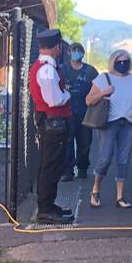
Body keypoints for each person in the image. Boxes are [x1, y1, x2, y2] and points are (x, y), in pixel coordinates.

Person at [84, 49, 132, 209]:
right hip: (109, 123)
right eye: (120, 61)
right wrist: (104, 92)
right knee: (105, 158)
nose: (123, 64)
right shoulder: (103, 79)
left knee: (123, 160)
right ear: (113, 62)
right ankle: (96, 189)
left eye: (126, 61)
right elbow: (89, 100)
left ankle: (119, 197)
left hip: (129, 123)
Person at [29, 28, 74, 224]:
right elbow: (54, 99)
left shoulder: (44, 66)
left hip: (50, 122)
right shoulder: (47, 70)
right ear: (57, 46)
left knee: (53, 165)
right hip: (52, 122)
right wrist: (68, 95)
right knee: (51, 166)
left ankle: (48, 205)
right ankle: (45, 209)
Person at [59, 41, 98, 181]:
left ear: (83, 53)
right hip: (67, 112)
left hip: (86, 112)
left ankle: (82, 168)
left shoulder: (91, 71)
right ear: (69, 53)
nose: (77, 53)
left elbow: (99, 88)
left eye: (79, 51)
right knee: (67, 142)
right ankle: (67, 171)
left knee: (85, 142)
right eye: (74, 50)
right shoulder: (62, 69)